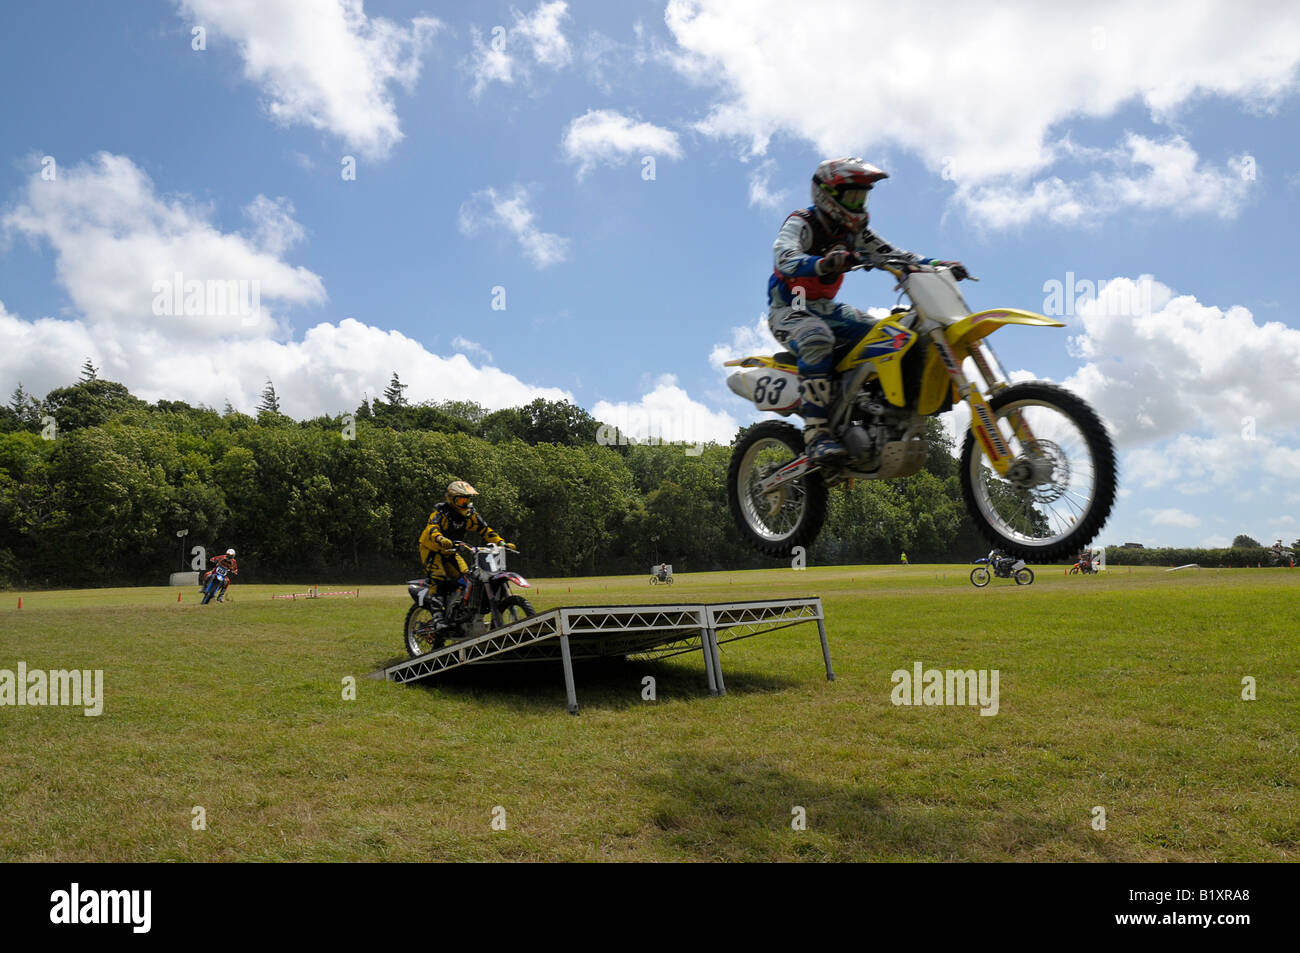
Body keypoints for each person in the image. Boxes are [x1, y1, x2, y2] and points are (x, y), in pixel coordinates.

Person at [768, 157, 969, 461]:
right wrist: (821, 263)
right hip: (792, 306)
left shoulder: (855, 233)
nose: (859, 203)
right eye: (852, 196)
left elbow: (897, 255)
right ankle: (817, 431)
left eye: (863, 196)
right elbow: (783, 256)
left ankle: (871, 410)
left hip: (827, 308)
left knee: (890, 335)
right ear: (827, 195)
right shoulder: (802, 222)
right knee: (816, 338)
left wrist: (938, 265)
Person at [418, 481, 514, 615]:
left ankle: (458, 609)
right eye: (461, 499)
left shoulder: (471, 515)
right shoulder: (440, 513)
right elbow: (432, 529)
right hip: (431, 550)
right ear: (451, 499)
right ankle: (438, 618)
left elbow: (485, 530)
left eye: (467, 499)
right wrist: (441, 539)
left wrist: (501, 543)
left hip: (451, 552)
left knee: (466, 579)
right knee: (438, 578)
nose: (465, 503)